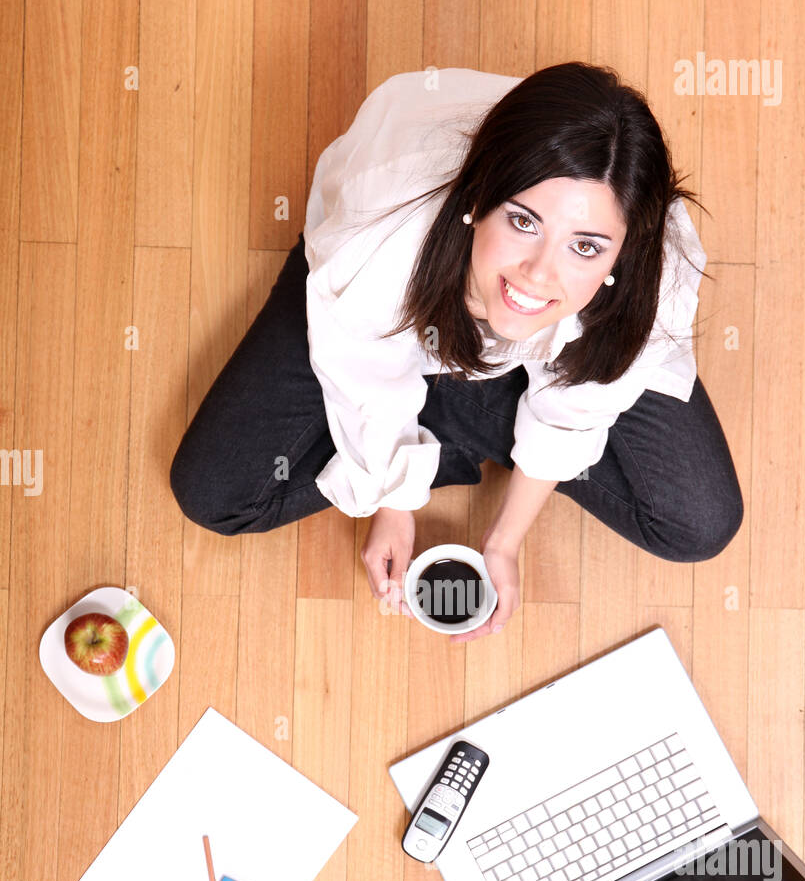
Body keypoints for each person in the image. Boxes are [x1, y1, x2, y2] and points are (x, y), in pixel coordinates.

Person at [169, 63, 744, 643]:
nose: (540, 274)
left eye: (587, 247)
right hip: (378, 304)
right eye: (523, 221)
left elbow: (579, 409)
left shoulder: (655, 277)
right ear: (479, 194)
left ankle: (444, 418)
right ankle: (457, 419)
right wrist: (393, 502)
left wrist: (505, 542)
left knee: (699, 523)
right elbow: (368, 377)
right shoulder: (384, 232)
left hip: (506, 353)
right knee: (215, 495)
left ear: (623, 253)